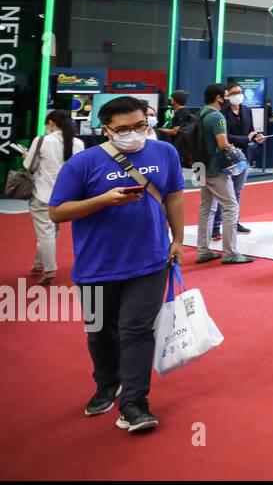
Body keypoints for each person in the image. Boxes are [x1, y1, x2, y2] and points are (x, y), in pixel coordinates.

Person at [48, 95, 187, 433]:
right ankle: (106, 383)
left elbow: (174, 195)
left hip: (150, 262)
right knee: (98, 332)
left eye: (140, 125)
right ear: (107, 130)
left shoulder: (165, 152)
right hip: (95, 267)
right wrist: (102, 201)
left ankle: (135, 404)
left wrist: (178, 240)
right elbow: (57, 211)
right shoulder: (83, 164)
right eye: (123, 129)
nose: (134, 133)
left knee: (137, 331)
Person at [23, 109, 85, 285]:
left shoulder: (42, 140)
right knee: (51, 232)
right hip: (69, 196)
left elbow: (29, 165)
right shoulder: (78, 143)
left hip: (43, 194)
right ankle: (38, 263)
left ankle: (49, 268)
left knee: (45, 232)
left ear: (50, 123)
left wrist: (26, 156)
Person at [194, 83, 252, 265]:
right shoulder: (217, 117)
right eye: (226, 95)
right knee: (231, 207)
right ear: (218, 98)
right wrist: (237, 153)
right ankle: (230, 253)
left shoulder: (200, 113)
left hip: (200, 165)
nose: (228, 98)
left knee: (206, 208)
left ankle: (203, 250)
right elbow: (222, 143)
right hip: (215, 168)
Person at [214, 79, 263, 238]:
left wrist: (256, 136)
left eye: (240, 92)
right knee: (224, 193)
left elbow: (251, 131)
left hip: (244, 158)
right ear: (227, 95)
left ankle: (234, 222)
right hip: (227, 157)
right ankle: (216, 226)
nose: (238, 96)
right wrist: (247, 138)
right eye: (234, 93)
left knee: (237, 191)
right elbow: (225, 137)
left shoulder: (247, 111)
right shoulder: (222, 112)